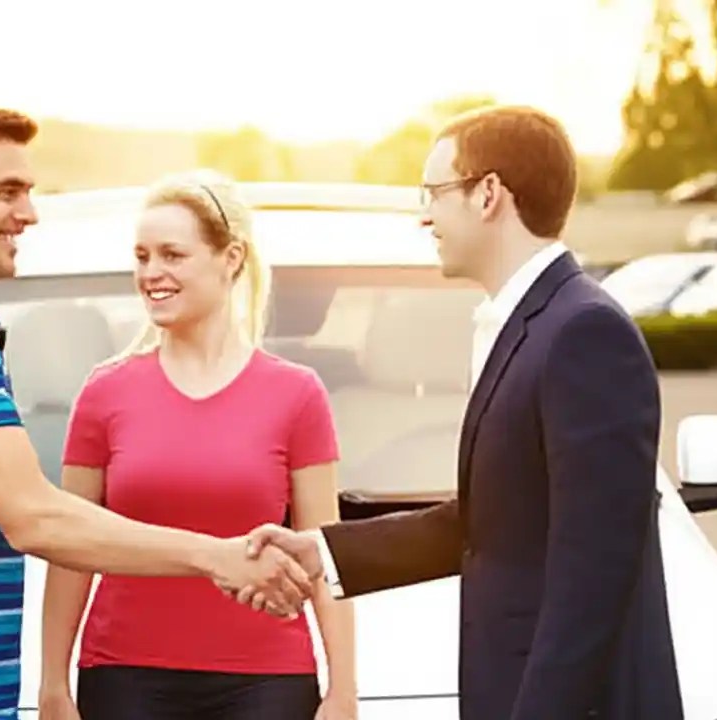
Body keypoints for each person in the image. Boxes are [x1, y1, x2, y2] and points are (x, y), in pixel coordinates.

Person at [0, 109, 318, 720]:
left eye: (28, 192)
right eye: (8, 192)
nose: (28, 213)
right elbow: (34, 517)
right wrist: (215, 555)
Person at [243, 105, 685, 720]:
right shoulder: (530, 324)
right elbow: (493, 524)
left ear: (488, 195)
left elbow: (593, 577)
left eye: (434, 192)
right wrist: (325, 551)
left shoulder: (584, 332)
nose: (425, 214)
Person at [37, 170, 358, 720]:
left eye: (172, 255)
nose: (151, 273)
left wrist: (344, 689)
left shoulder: (296, 394)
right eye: (141, 257)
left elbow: (324, 556)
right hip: (124, 677)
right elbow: (72, 551)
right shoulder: (105, 392)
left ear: (230, 258)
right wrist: (52, 686)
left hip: (267, 681)